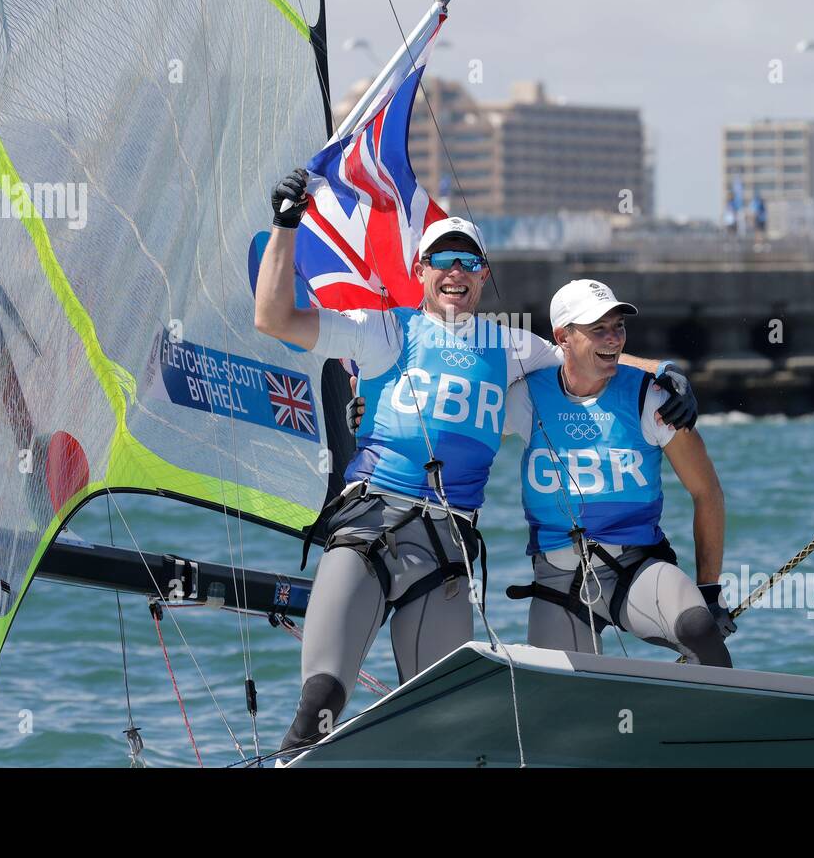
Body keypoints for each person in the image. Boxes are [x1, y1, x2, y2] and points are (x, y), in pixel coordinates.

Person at [253, 168, 701, 755]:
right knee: (321, 701)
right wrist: (286, 225)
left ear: (484, 276)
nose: (455, 272)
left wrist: (666, 376)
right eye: (442, 259)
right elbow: (274, 318)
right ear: (420, 272)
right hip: (369, 532)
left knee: (442, 730)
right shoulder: (385, 330)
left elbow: (589, 355)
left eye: (468, 262)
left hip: (445, 552)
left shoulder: (514, 345)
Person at [503, 279, 734, 666]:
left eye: (619, 327)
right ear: (563, 337)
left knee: (696, 628)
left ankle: (721, 721)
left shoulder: (654, 398)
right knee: (557, 699)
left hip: (635, 569)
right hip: (558, 582)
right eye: (598, 330)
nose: (613, 338)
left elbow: (706, 492)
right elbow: (458, 435)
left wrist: (709, 589)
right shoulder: (523, 397)